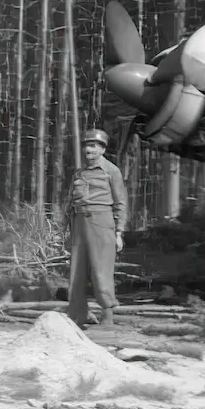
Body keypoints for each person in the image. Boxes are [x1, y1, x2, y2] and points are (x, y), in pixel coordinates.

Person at [67, 128, 126, 327]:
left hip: (102, 222)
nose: (88, 150)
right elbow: (70, 202)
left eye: (93, 146)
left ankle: (107, 316)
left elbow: (120, 203)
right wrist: (66, 229)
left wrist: (119, 232)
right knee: (77, 271)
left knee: (101, 270)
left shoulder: (111, 171)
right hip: (79, 223)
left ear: (102, 149)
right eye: (86, 146)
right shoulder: (79, 173)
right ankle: (77, 315)